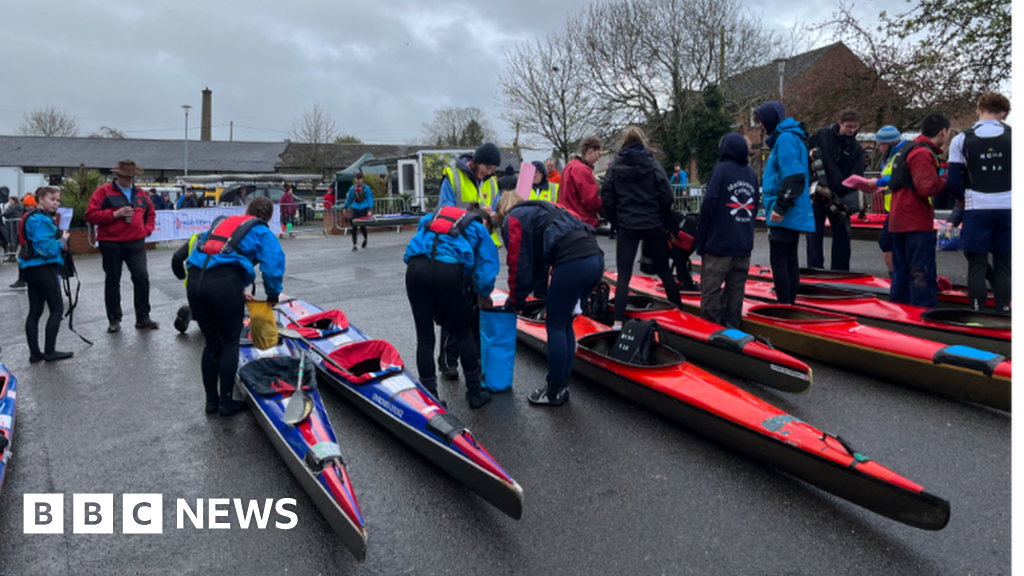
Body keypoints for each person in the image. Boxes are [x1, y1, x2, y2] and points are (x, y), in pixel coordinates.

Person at [498, 193, 603, 406]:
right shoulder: (546, 209)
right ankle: (563, 386)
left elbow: (519, 264)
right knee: (565, 324)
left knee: (555, 325)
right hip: (595, 259)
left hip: (573, 262)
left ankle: (554, 390)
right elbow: (540, 263)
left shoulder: (514, 219)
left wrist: (516, 301)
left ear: (503, 211)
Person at [185, 196, 285, 416]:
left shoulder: (225, 223)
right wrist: (272, 294)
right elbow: (273, 265)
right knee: (230, 343)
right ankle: (225, 403)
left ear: (246, 211)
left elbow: (213, 255)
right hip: (223, 284)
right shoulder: (262, 231)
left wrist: (237, 290)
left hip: (195, 281)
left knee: (212, 344)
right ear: (268, 218)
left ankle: (211, 402)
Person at [403, 203, 499, 409]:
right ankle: (475, 394)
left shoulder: (432, 217)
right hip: (448, 271)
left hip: (416, 269)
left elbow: (422, 239)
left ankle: (430, 399)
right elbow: (487, 264)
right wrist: (483, 293)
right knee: (463, 332)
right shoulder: (478, 228)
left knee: (425, 337)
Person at [601, 126, 681, 328]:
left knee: (624, 275)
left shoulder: (615, 167)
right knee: (664, 271)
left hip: (627, 225)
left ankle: (617, 322)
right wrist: (661, 216)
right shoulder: (653, 164)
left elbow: (607, 198)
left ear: (624, 143)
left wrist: (616, 221)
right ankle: (680, 316)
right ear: (643, 141)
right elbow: (667, 195)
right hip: (652, 223)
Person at [947, 92, 1016, 313]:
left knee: (977, 264)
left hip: (977, 206)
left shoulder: (961, 139)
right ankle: (1004, 312)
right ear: (1003, 114)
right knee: (1005, 265)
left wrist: (962, 199)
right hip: (1011, 207)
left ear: (978, 110)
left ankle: (977, 313)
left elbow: (952, 181)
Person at [694, 134, 760, 329]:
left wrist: (702, 239)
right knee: (736, 292)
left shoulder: (721, 170)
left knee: (711, 291)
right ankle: (733, 329)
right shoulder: (752, 174)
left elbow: (709, 202)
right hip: (743, 244)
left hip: (719, 243)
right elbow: (755, 206)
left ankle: (711, 330)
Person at [85, 160, 158, 333]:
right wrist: (114, 214)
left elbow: (151, 213)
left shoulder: (141, 193)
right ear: (118, 175)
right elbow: (90, 215)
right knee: (113, 280)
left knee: (141, 278)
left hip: (135, 243)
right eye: (127, 177)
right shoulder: (103, 192)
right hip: (111, 243)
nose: (130, 180)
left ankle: (143, 317)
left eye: (133, 177)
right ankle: (114, 319)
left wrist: (146, 230)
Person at [886, 113, 951, 308]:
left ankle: (899, 309)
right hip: (915, 219)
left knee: (901, 270)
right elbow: (926, 188)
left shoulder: (907, 148)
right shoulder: (922, 153)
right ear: (943, 132)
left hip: (898, 217)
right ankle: (923, 310)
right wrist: (946, 179)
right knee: (921, 270)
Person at [756, 102, 814, 305]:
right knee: (789, 259)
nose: (760, 125)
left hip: (785, 211)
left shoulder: (785, 139)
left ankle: (784, 305)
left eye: (761, 121)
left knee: (780, 261)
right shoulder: (791, 137)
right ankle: (789, 303)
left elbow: (794, 176)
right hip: (792, 210)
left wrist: (780, 207)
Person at [806, 109, 865, 271]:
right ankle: (814, 268)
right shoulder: (822, 135)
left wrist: (844, 195)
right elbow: (806, 151)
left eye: (855, 127)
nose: (852, 130)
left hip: (840, 195)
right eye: (849, 126)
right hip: (819, 191)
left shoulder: (856, 148)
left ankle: (840, 270)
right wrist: (809, 155)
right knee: (814, 234)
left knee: (842, 236)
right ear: (840, 124)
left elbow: (857, 175)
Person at [19, 187, 73, 363]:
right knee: (57, 309)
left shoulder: (30, 216)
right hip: (43, 268)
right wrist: (62, 240)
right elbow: (45, 249)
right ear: (41, 199)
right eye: (52, 199)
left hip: (29, 268)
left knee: (35, 311)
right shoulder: (41, 220)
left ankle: (35, 353)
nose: (56, 203)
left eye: (58, 200)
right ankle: (50, 351)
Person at [870, 126, 907, 276]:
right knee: (891, 242)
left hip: (903, 207)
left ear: (889, 143)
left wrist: (878, 183)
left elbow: (900, 175)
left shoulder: (901, 155)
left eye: (880, 145)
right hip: (893, 207)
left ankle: (896, 276)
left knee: (886, 241)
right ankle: (896, 275)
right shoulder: (889, 158)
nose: (878, 148)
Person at [439, 143, 501, 214]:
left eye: (493, 169)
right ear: (477, 161)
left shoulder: (492, 183)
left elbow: (497, 212)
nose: (489, 173)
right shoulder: (453, 178)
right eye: (488, 167)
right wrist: (476, 214)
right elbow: (445, 212)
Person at [558, 136, 604, 229]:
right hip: (582, 221)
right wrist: (605, 205)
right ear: (591, 150)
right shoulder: (582, 170)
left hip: (566, 219)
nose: (598, 159)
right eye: (598, 154)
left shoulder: (568, 167)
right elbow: (591, 200)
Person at [344, 172, 374, 250]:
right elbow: (349, 198)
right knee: (354, 226)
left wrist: (370, 209)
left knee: (362, 227)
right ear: (355, 179)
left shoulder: (366, 188)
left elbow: (369, 198)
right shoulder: (352, 188)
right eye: (357, 179)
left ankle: (365, 239)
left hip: (364, 208)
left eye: (360, 179)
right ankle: (355, 245)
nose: (358, 180)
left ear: (362, 179)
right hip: (355, 208)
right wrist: (345, 207)